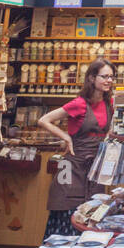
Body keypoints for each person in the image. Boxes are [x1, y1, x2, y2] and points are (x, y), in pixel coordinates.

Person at [39, 58, 115, 236]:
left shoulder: (108, 103)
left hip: (95, 168)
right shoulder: (79, 103)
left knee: (92, 215)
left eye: (111, 77)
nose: (109, 81)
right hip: (71, 166)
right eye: (104, 76)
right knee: (67, 210)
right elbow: (44, 120)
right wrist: (65, 136)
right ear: (91, 78)